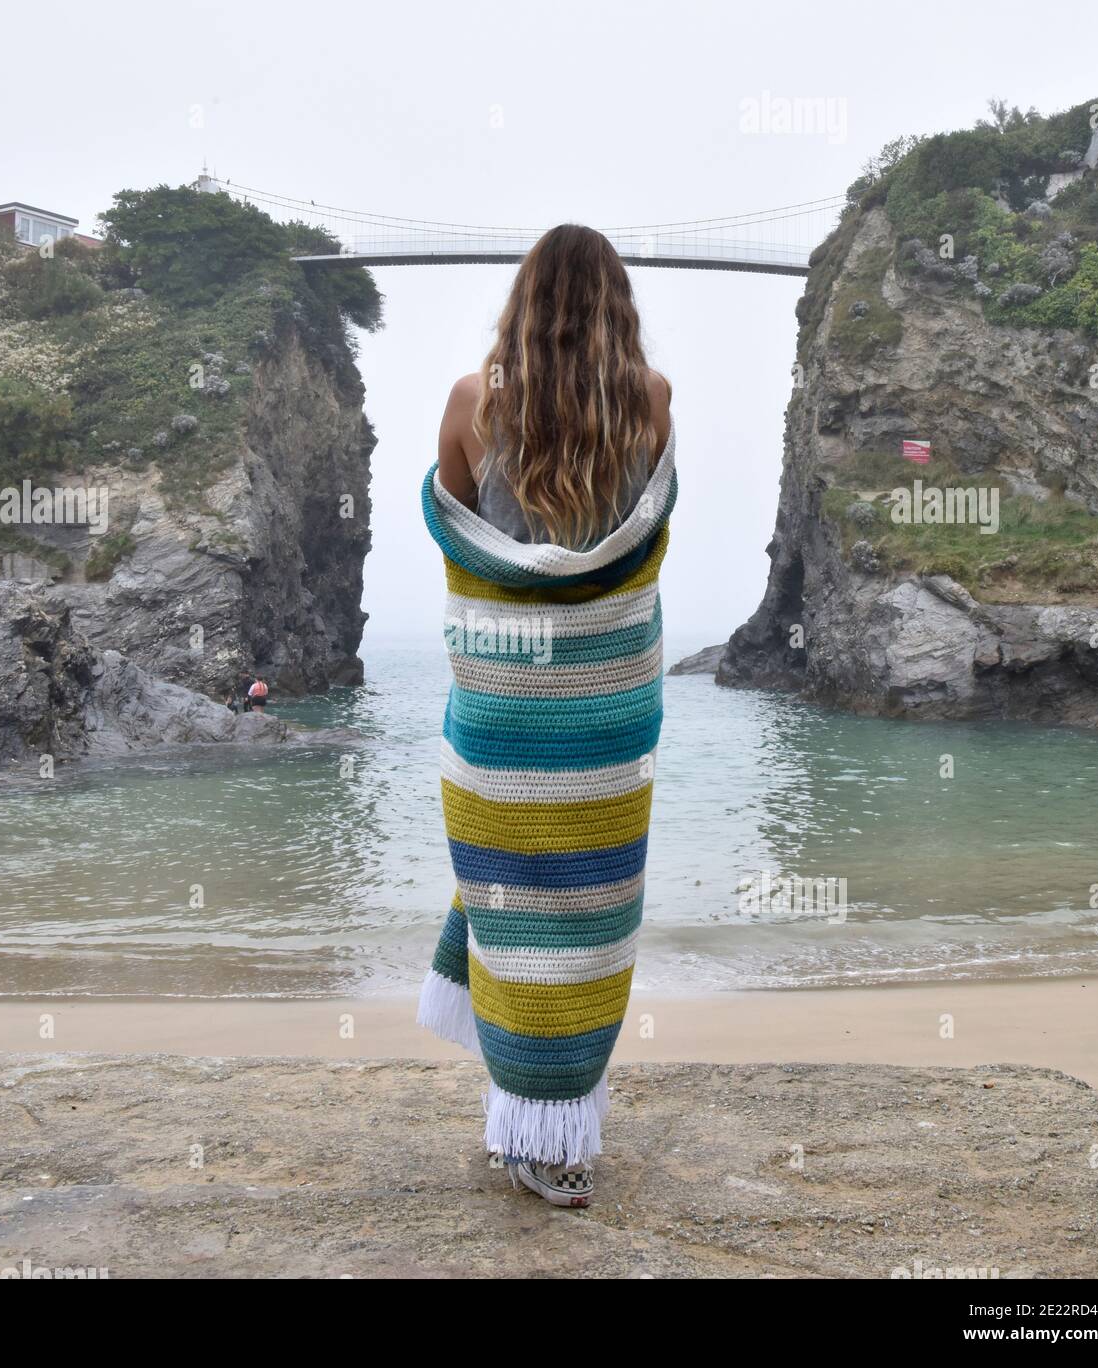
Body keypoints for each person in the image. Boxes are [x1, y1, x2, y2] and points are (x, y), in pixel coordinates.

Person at [416, 224, 674, 1208]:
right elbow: (645, 550)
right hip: (604, 723)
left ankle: (522, 1124)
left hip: (496, 720)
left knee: (508, 914)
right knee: (588, 919)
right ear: (617, 308)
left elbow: (463, 543)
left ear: (522, 304)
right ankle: (552, 1125)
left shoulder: (468, 405)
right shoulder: (650, 404)